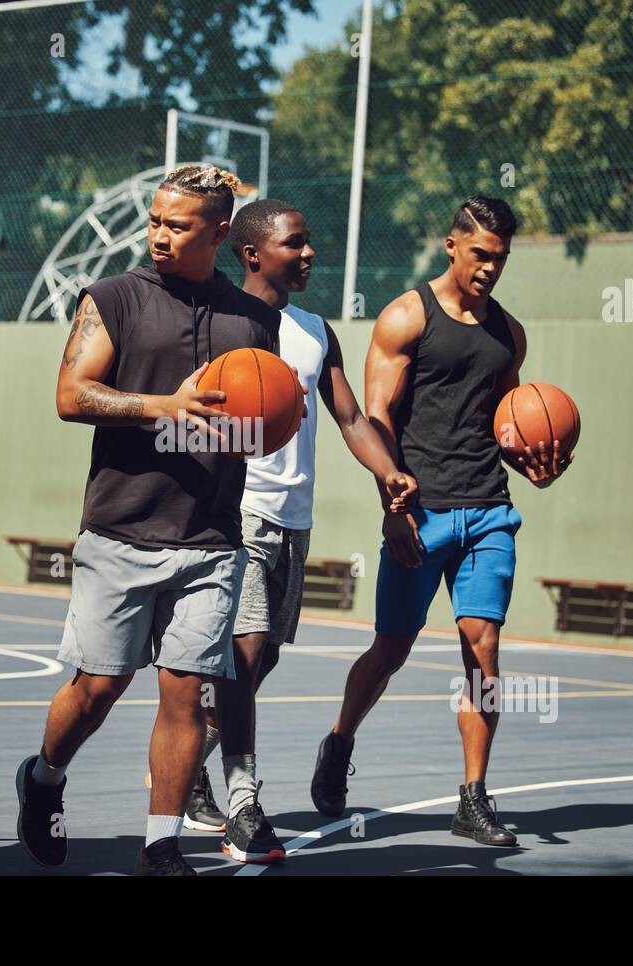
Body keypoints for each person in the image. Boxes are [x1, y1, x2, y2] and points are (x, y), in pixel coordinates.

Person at [16, 165, 290, 876]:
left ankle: (160, 846)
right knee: (97, 689)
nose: (160, 235)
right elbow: (71, 395)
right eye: (155, 220)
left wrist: (258, 429)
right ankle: (43, 778)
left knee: (188, 695)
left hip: (211, 538)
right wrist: (160, 407)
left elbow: (264, 417)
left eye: (178, 224)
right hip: (121, 529)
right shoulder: (113, 298)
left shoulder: (257, 319)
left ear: (219, 232)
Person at [310, 196, 572, 846]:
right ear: (452, 245)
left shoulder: (509, 334)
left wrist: (536, 465)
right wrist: (391, 508)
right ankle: (340, 741)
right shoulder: (406, 316)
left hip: (487, 509)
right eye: (480, 254)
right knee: (391, 649)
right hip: (419, 511)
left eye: (501, 259)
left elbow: (506, 420)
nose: (490, 268)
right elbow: (377, 418)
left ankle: (474, 797)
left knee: (483, 649)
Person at [192, 199, 416, 863]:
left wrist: (390, 475)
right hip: (238, 510)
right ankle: (243, 803)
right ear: (252, 252)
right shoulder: (217, 318)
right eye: (296, 243)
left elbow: (350, 418)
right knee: (248, 649)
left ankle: (184, 757)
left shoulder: (316, 330)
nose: (310, 254)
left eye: (311, 242)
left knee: (263, 660)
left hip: (295, 519)